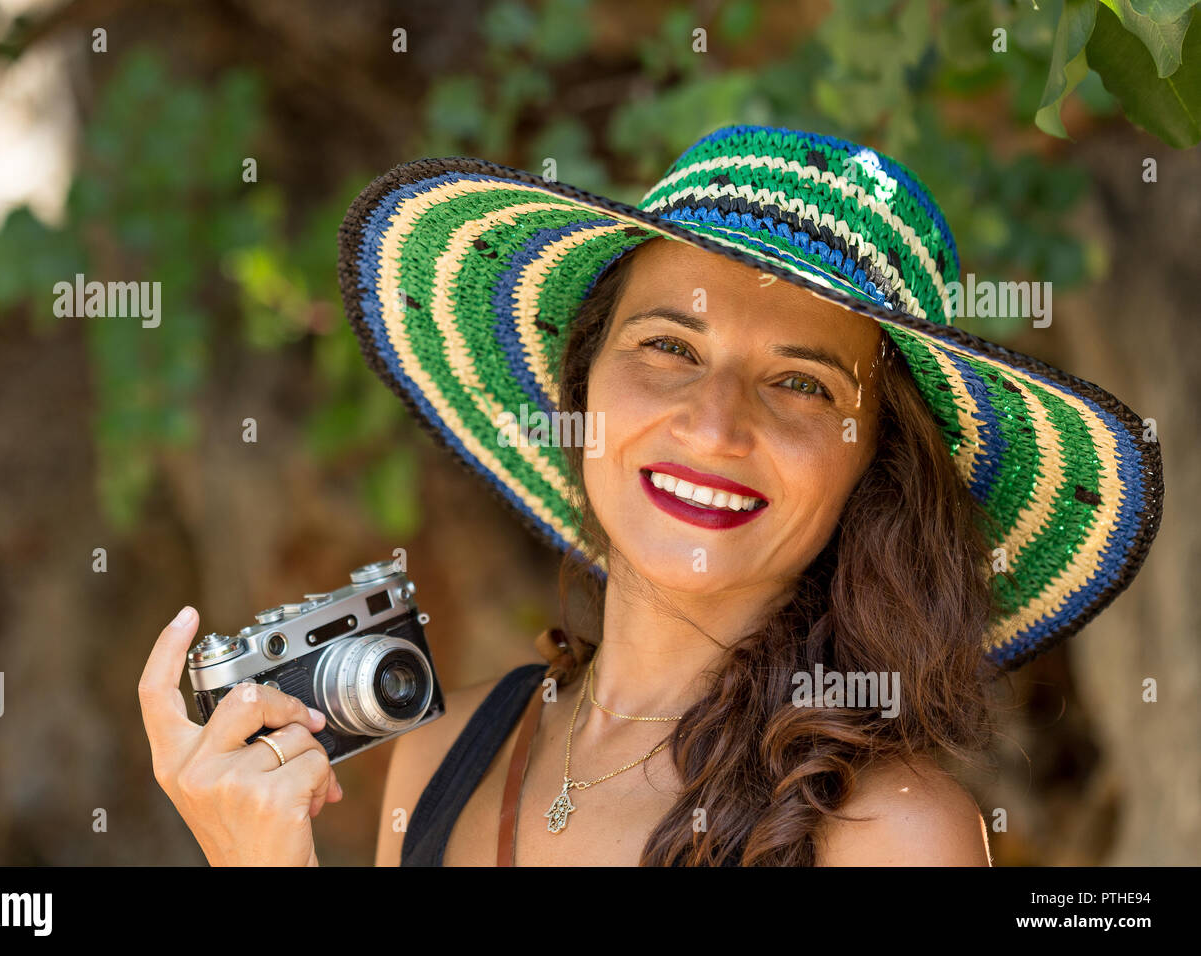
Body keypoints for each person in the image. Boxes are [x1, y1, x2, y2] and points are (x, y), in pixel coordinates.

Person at [139, 125, 1163, 866]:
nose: (714, 425)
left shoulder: (885, 834)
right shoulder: (443, 755)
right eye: (668, 346)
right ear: (581, 385)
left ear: (873, 469)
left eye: (801, 383)